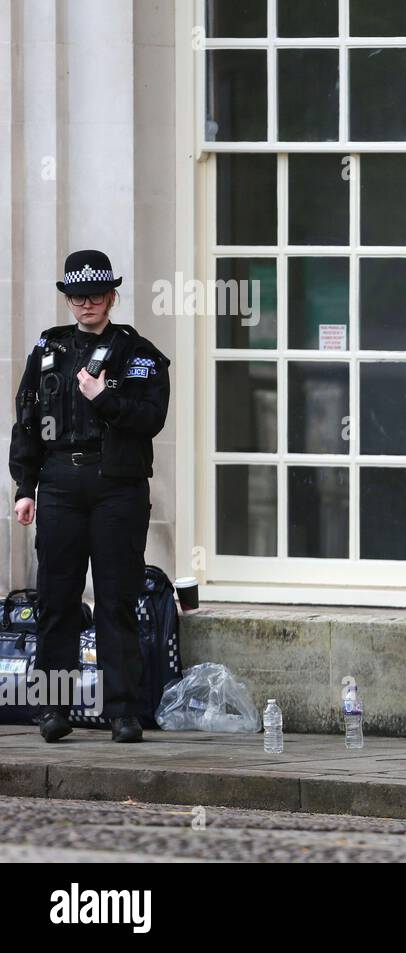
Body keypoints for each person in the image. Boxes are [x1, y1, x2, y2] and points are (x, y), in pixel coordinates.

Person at [9, 250, 171, 743]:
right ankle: (52, 710)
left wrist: (105, 399)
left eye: (96, 295)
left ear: (112, 296)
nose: (87, 304)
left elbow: (151, 419)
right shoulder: (49, 350)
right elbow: (27, 422)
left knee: (117, 597)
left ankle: (122, 710)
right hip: (59, 482)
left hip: (116, 484)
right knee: (56, 598)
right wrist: (24, 486)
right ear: (68, 299)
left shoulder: (137, 352)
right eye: (78, 296)